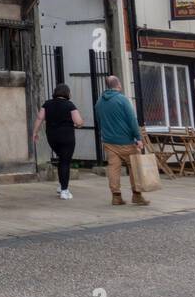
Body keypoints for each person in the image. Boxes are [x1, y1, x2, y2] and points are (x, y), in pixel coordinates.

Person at [94, 75, 150, 206]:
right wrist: (138, 138)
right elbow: (132, 120)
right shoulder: (122, 100)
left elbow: (99, 120)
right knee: (134, 167)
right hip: (126, 141)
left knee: (113, 168)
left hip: (108, 141)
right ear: (118, 85)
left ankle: (116, 196)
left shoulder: (99, 102)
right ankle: (137, 195)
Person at [32, 83, 84, 198]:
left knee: (61, 159)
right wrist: (79, 124)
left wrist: (35, 132)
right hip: (67, 137)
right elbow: (79, 121)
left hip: (52, 137)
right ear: (67, 93)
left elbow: (40, 118)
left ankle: (61, 186)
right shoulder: (69, 105)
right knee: (65, 161)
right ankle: (65, 191)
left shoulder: (47, 104)